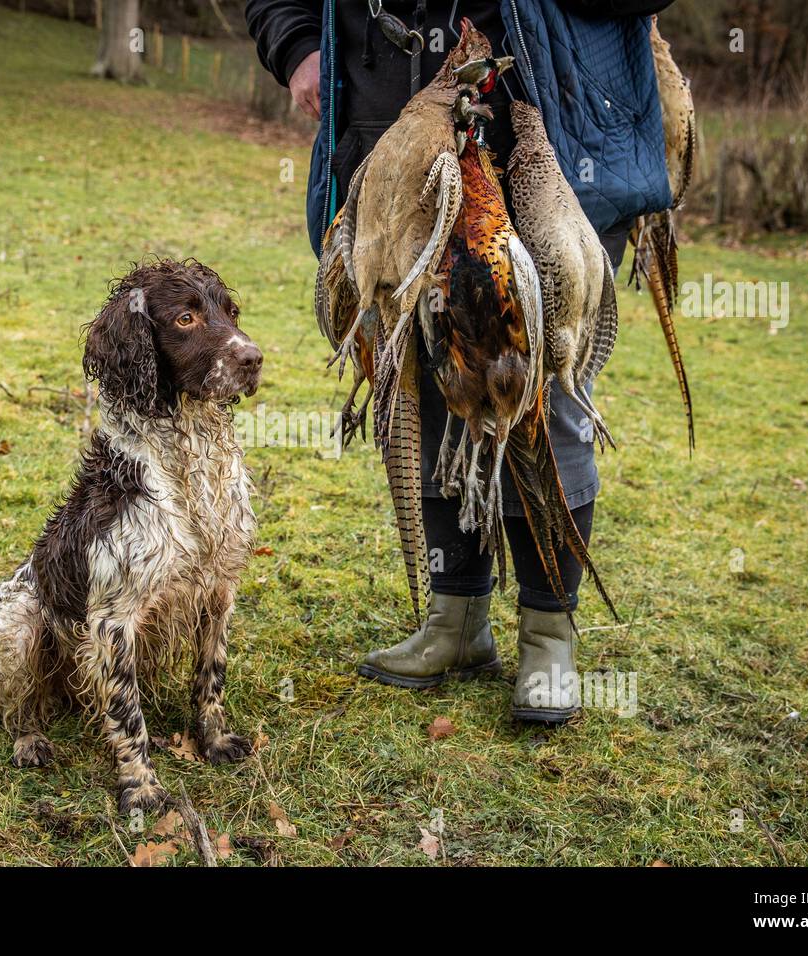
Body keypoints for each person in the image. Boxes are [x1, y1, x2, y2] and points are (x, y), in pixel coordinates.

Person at [246, 0, 674, 722]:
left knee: (544, 391)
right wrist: (295, 47)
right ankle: (457, 620)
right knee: (424, 384)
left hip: (554, 138)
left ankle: (548, 636)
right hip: (390, 132)